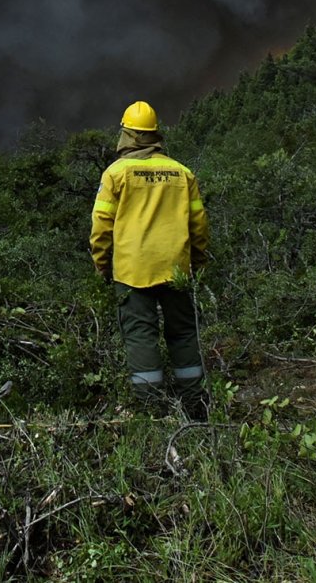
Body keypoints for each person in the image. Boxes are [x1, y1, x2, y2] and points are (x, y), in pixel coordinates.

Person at [89, 100, 210, 416]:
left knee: (141, 337)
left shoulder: (116, 174)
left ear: (127, 134)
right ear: (155, 134)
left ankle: (151, 409)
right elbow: (199, 225)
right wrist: (198, 263)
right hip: (177, 270)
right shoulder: (182, 173)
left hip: (132, 271)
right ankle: (195, 405)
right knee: (183, 334)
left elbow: (101, 224)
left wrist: (101, 263)